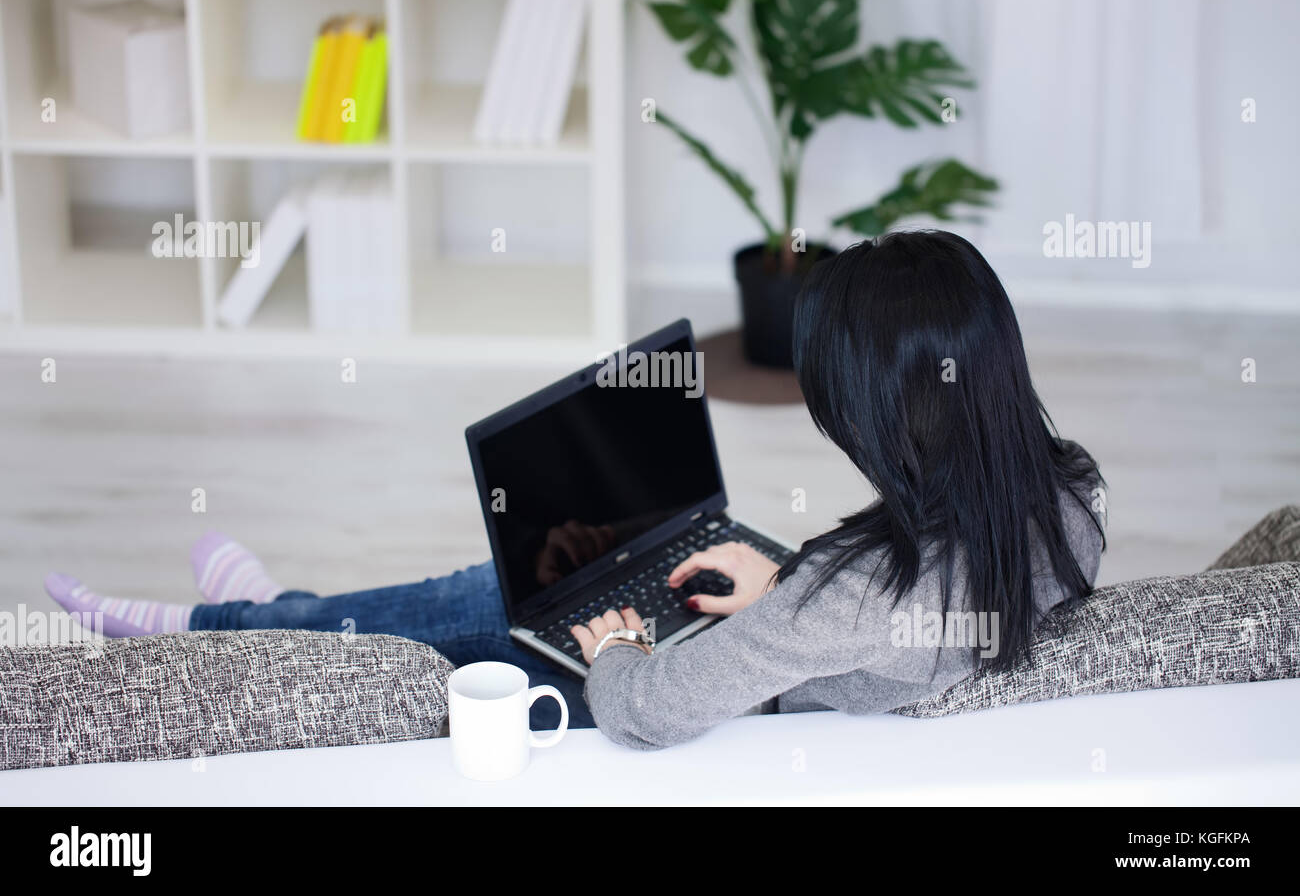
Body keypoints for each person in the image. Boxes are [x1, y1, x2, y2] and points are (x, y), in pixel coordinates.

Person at [45, 231, 1110, 746]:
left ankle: (213, 625)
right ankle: (276, 612)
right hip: (795, 639)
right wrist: (783, 582)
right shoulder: (1067, 504)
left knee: (504, 606)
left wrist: (618, 650)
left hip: (744, 687)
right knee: (574, 570)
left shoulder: (851, 594)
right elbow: (894, 620)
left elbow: (649, 711)